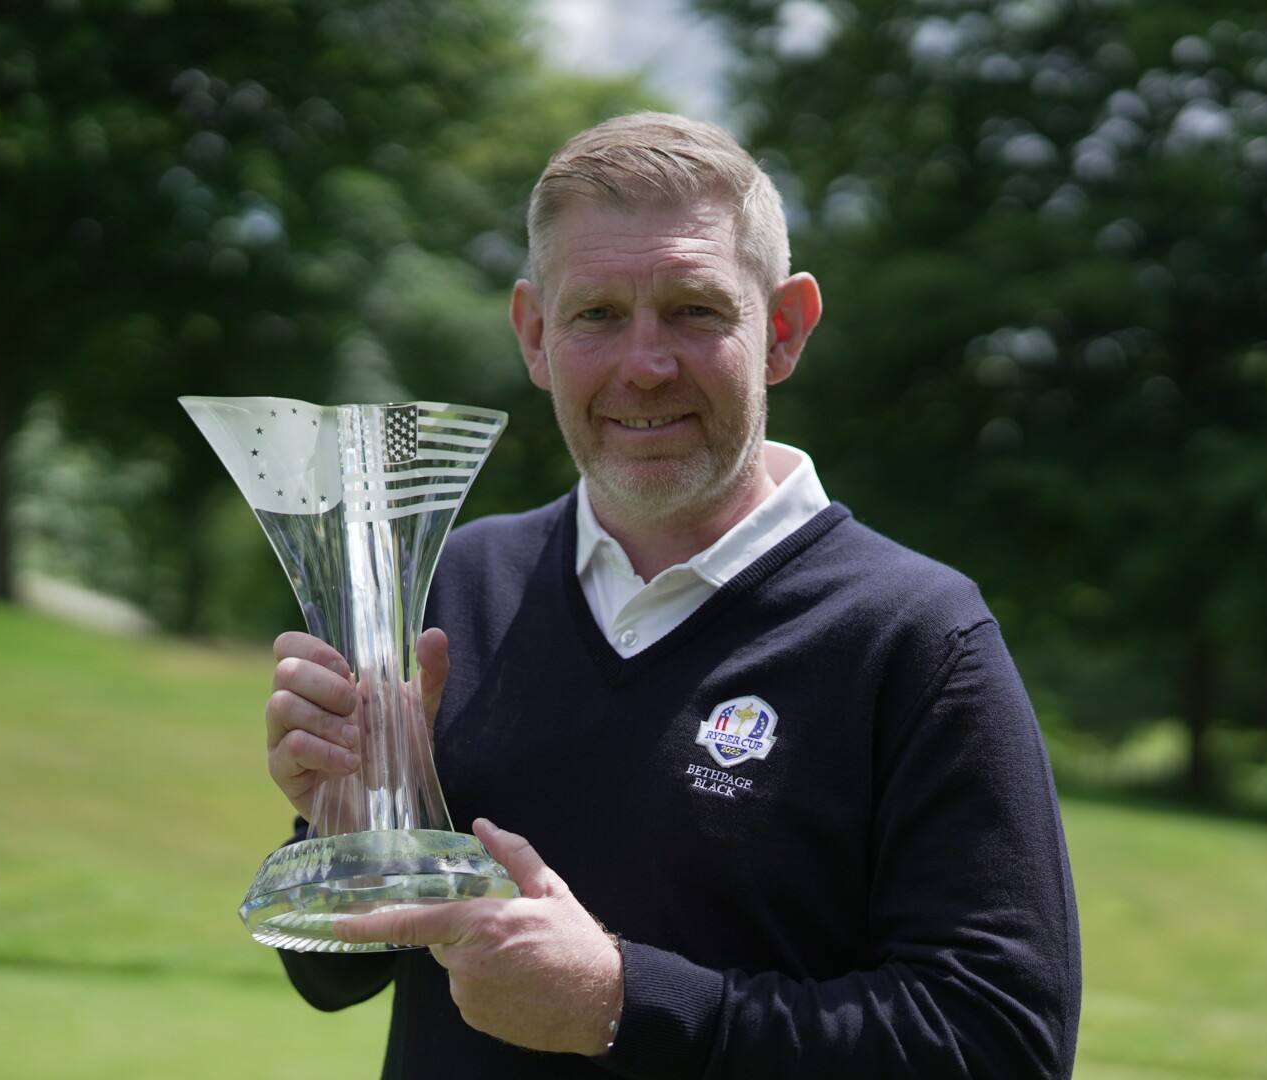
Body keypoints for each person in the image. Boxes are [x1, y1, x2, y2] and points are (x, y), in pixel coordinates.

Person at [262, 112, 1081, 1078]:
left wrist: (622, 1004)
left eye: (695, 310)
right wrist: (349, 830)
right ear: (534, 333)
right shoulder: (457, 585)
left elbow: (1002, 1048)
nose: (644, 367)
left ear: (783, 329)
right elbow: (333, 981)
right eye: (597, 315)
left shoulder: (915, 636)